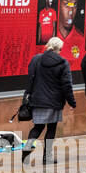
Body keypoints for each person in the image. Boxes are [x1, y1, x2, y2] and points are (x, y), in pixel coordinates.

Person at [22, 36, 76, 166]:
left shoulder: (36, 59)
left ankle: (27, 148)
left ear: (48, 46)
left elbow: (30, 79)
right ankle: (47, 158)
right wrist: (72, 102)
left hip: (37, 100)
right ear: (59, 49)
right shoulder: (63, 63)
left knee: (37, 127)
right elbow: (67, 85)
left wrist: (27, 96)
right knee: (51, 128)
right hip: (54, 101)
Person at [53, 0, 86, 70]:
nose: (70, 12)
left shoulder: (81, 39)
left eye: (74, 5)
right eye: (66, 4)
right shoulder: (49, 36)